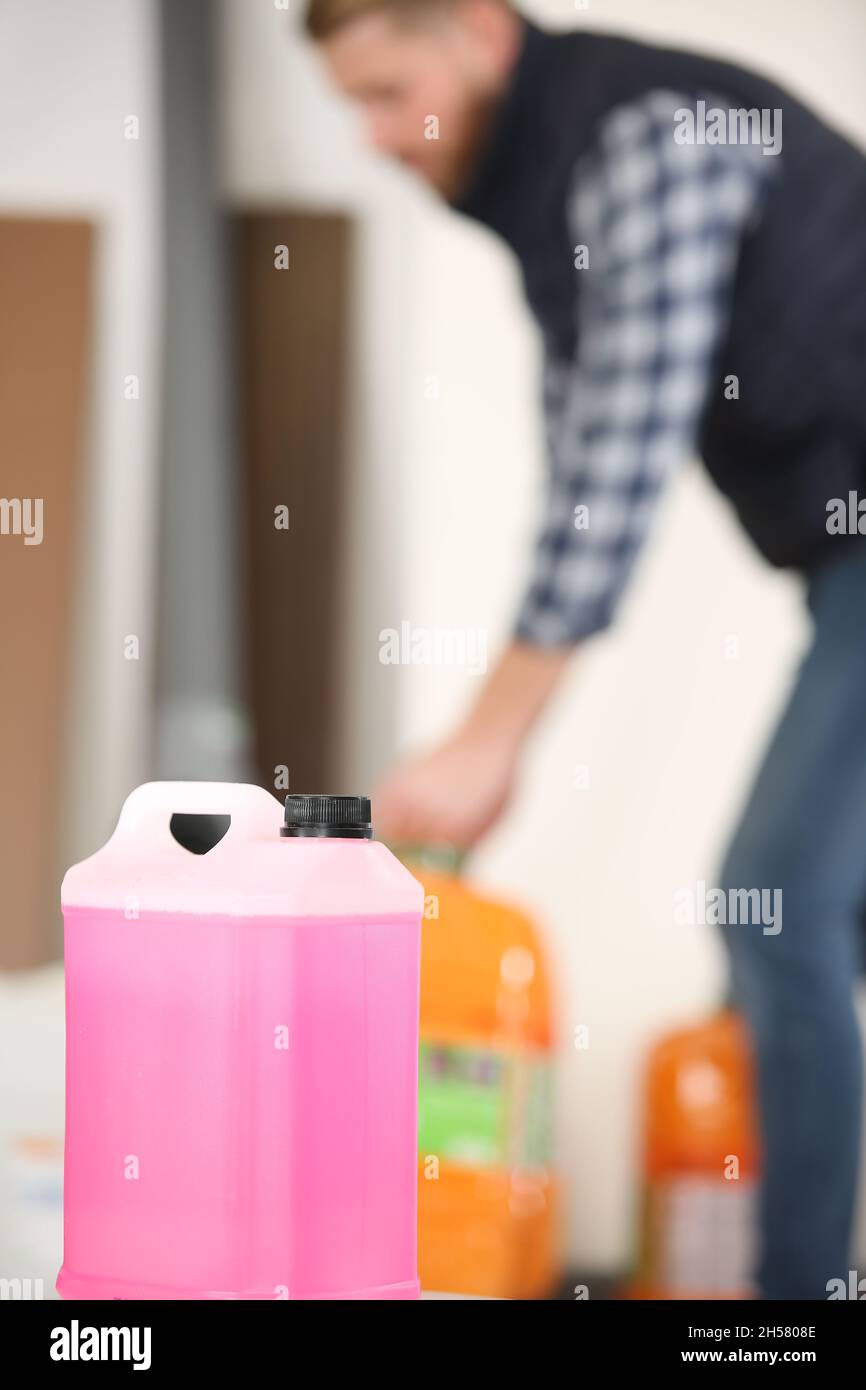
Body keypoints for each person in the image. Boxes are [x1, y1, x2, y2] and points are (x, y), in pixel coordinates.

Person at [304, 0, 866, 1299]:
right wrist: (495, 737)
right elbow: (575, 469)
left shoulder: (651, 139)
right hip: (842, 562)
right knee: (796, 912)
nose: (377, 139)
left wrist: (484, 739)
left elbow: (617, 462)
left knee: (773, 902)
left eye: (390, 92)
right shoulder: (547, 192)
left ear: (480, 35)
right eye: (354, 107)